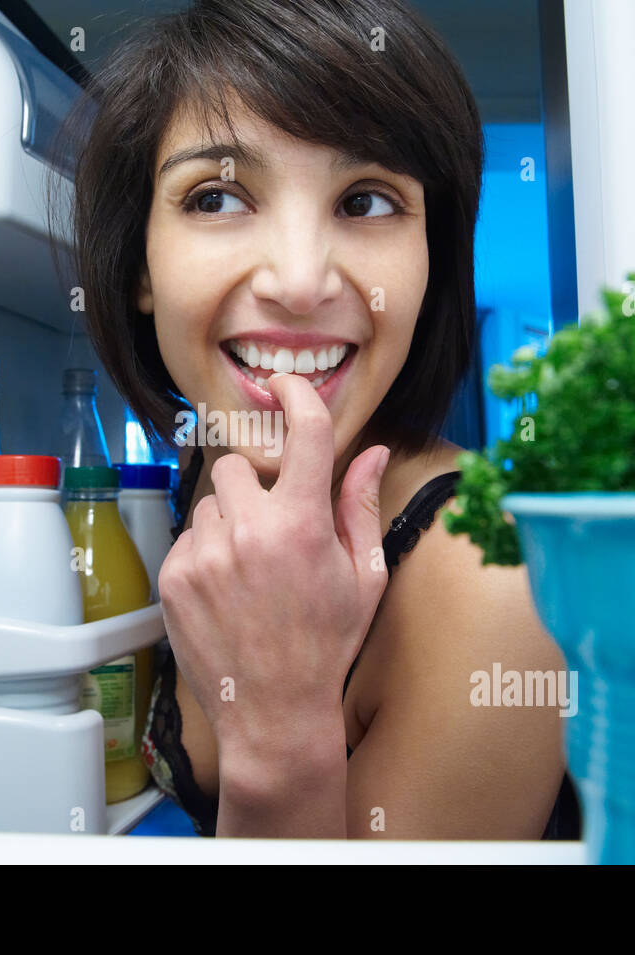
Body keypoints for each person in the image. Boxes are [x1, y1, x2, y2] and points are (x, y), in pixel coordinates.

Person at [48, 0, 580, 840]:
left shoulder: (488, 578)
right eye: (217, 196)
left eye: (367, 202)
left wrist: (282, 738)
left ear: (431, 262)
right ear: (140, 265)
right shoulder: (212, 472)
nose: (299, 282)